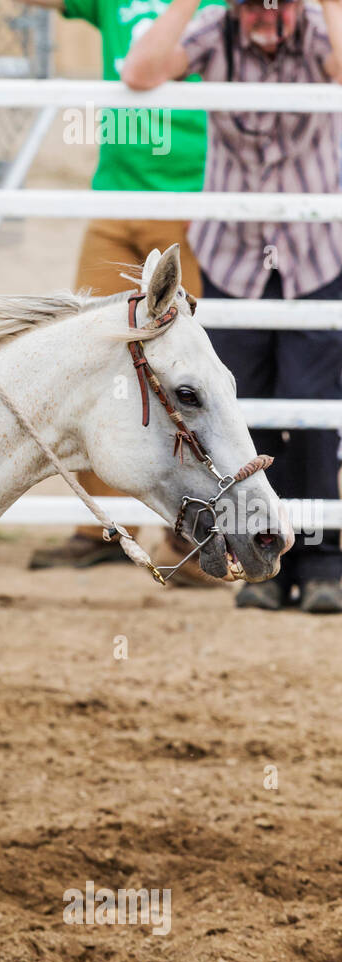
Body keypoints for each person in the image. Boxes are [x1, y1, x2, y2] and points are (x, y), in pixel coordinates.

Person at [124, 0, 342, 613]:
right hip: (235, 251)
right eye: (249, 2)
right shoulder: (215, 30)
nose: (263, 12)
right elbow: (141, 70)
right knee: (241, 411)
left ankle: (324, 559)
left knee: (312, 410)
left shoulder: (323, 30)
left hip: (315, 247)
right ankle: (264, 563)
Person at [23, 0, 215, 574]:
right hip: (115, 199)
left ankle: (198, 528)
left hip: (196, 200)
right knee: (97, 348)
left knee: (194, 372)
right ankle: (103, 526)